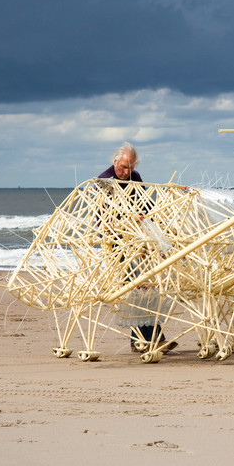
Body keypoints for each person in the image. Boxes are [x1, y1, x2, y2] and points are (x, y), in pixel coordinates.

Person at [96, 143, 176, 355]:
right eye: (123, 167)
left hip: (137, 242)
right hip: (118, 245)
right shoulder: (104, 181)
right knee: (138, 291)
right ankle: (154, 339)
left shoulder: (135, 177)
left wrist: (159, 226)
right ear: (115, 162)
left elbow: (145, 205)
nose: (126, 172)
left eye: (130, 167)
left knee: (143, 290)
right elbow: (103, 218)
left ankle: (140, 341)